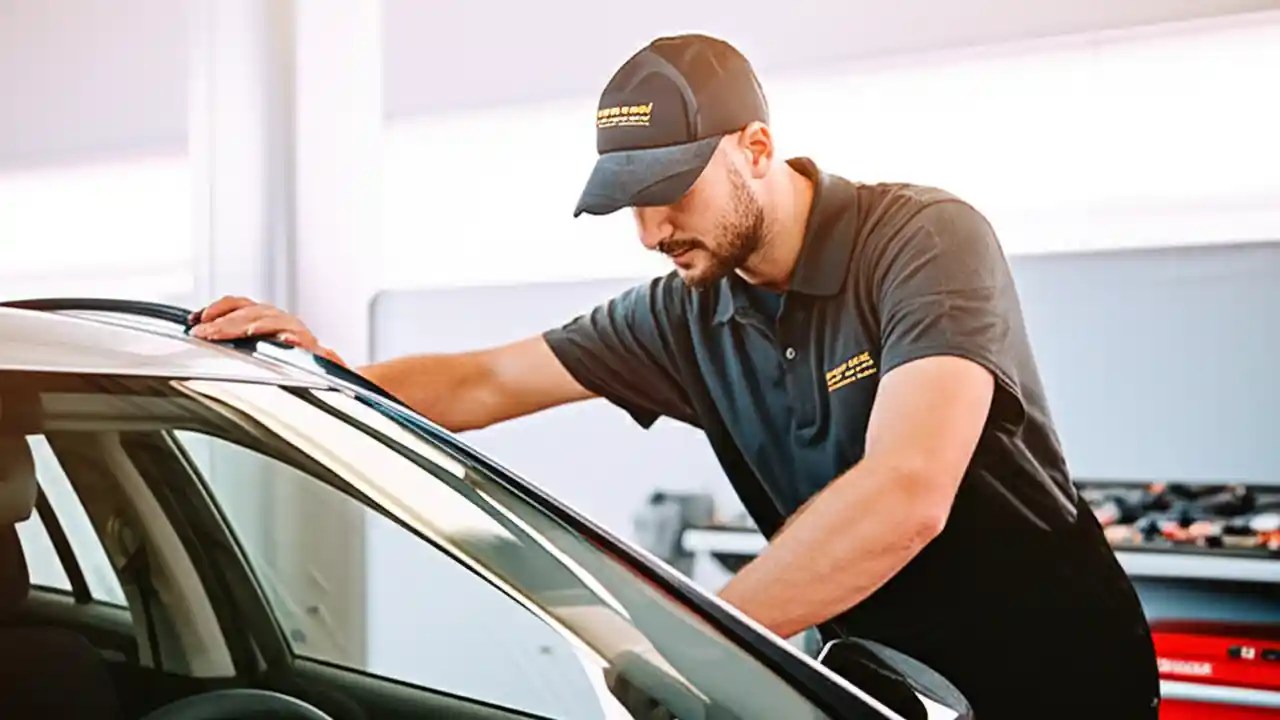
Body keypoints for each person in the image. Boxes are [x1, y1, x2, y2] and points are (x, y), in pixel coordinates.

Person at [191, 33, 1159, 719]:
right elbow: (485, 381)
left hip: (1054, 675)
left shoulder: (920, 243)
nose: (651, 233)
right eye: (629, 204)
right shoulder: (686, 312)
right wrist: (320, 373)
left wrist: (690, 648)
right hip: (878, 680)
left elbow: (907, 493)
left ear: (755, 149)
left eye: (668, 193)